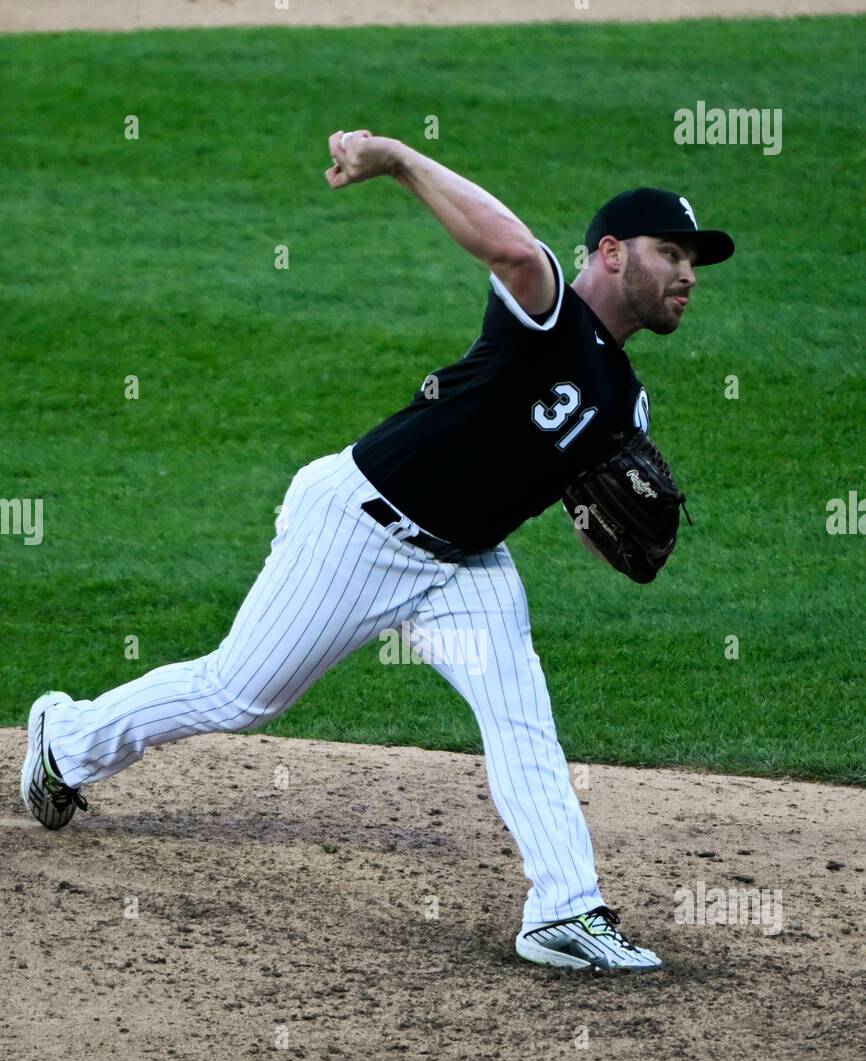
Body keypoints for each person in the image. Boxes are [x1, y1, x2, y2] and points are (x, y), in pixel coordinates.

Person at [21, 130, 734, 974]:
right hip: (358, 527)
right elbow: (508, 242)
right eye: (671, 253)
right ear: (611, 254)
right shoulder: (549, 311)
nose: (688, 275)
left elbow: (601, 534)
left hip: (465, 567)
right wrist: (397, 158)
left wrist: (612, 536)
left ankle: (564, 909)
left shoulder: (627, 403)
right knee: (237, 693)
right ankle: (66, 740)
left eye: (694, 261)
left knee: (521, 717)